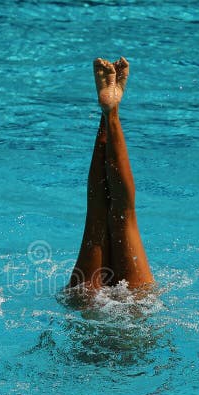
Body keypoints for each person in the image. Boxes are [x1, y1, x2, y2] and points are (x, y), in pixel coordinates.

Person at [69, 57, 154, 291]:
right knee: (120, 218)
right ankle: (110, 113)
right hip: (134, 306)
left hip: (101, 304)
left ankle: (110, 113)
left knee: (101, 218)